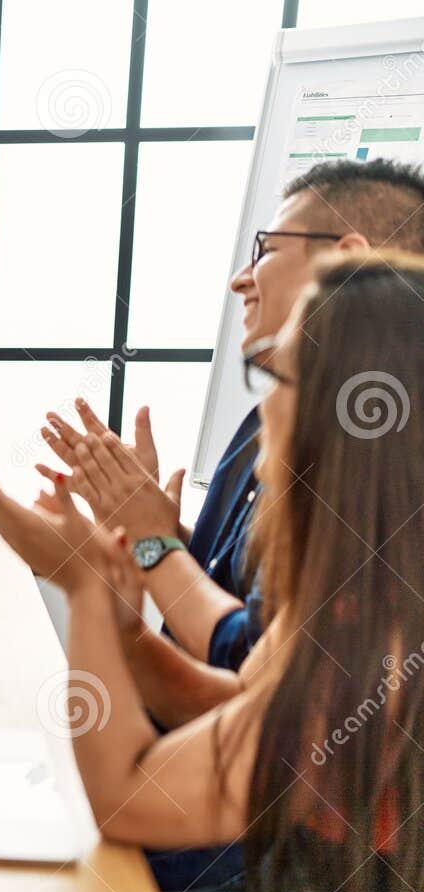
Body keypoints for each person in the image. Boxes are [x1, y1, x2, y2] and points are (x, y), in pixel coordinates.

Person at [0, 251, 424, 892]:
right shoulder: (365, 580)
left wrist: (87, 586)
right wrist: (119, 607)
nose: (262, 406)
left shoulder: (377, 642)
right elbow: (238, 697)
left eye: (276, 378)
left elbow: (128, 796)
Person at [42, 159, 424, 680]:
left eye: (265, 251)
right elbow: (230, 577)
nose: (239, 281)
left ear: (344, 261)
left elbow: (252, 664)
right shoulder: (268, 418)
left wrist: (152, 542)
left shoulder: (370, 452)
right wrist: (153, 523)